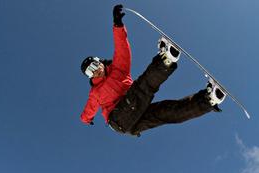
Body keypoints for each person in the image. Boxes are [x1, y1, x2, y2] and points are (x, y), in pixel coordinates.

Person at [79, 5, 226, 137]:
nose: (94, 72)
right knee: (143, 88)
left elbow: (121, 49)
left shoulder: (118, 69)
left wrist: (118, 25)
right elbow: (89, 109)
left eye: (94, 66)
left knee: (167, 112)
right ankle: (165, 60)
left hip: (134, 117)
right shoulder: (95, 92)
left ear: (100, 62)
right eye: (89, 72)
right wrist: (86, 119)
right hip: (119, 118)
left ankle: (208, 99)